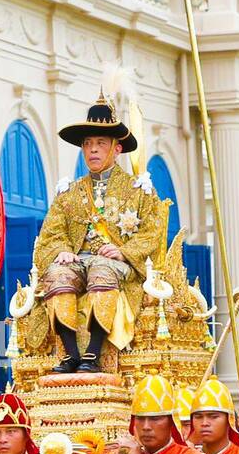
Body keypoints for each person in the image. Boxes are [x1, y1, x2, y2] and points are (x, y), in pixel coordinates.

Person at [28, 86, 163, 373]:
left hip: (117, 265)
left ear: (117, 148)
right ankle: (71, 355)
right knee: (57, 274)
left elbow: (153, 232)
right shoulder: (69, 193)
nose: (93, 149)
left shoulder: (139, 191)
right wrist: (62, 250)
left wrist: (124, 251)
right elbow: (50, 233)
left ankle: (93, 353)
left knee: (102, 267)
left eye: (101, 143)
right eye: (88, 143)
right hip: (79, 262)